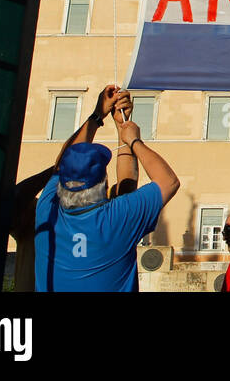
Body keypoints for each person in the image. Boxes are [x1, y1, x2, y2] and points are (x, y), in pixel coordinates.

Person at [35, 85, 179, 292]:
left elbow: (65, 158)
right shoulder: (118, 219)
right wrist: (132, 139)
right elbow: (168, 181)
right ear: (104, 183)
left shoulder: (47, 209)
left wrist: (97, 116)